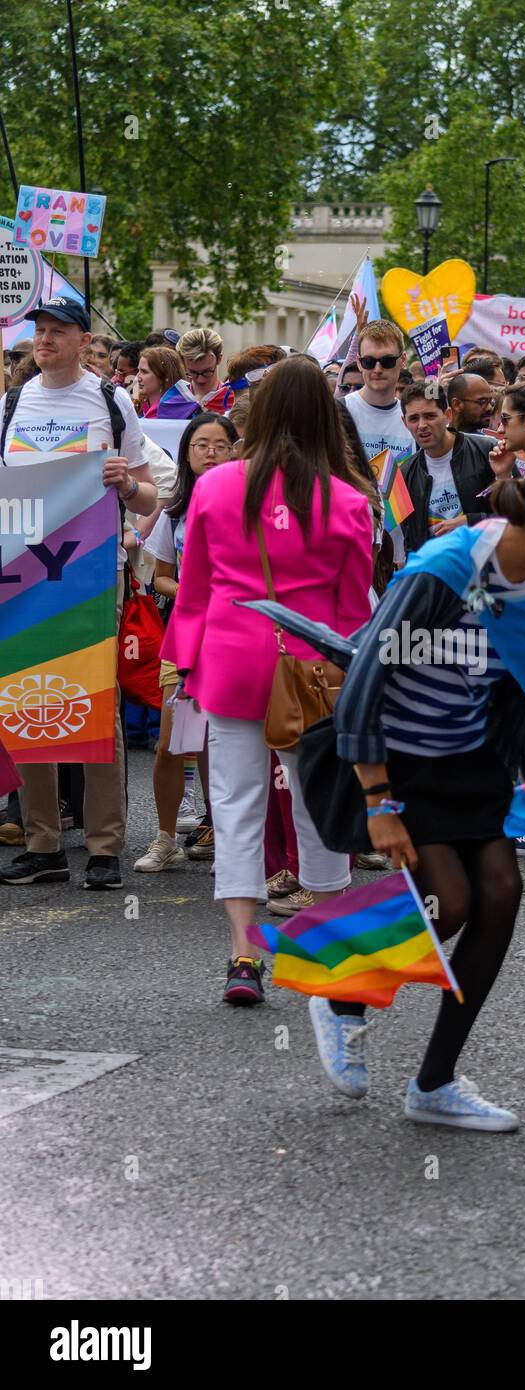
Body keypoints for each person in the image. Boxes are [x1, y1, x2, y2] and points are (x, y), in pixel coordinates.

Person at [300, 454, 525, 1130]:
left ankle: (435, 1084)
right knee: (447, 900)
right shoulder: (447, 569)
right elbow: (367, 675)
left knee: (501, 895)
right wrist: (379, 801)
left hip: (471, 759)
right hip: (399, 762)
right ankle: (339, 992)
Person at [161, 357, 373, 1004]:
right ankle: (330, 951)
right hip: (310, 669)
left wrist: (184, 663)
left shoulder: (217, 487)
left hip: (230, 661)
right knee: (319, 807)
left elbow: (194, 589)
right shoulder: (350, 500)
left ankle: (243, 954)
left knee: (234, 804)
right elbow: (354, 609)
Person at [0, 294, 157, 889]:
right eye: (39, 329)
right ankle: (44, 845)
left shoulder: (111, 400)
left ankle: (104, 846)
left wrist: (125, 486)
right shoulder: (12, 403)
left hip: (92, 571)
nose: (44, 338)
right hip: (23, 571)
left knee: (93, 696)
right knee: (28, 696)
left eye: (57, 330)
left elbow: (150, 495)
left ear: (84, 340)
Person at [133, 414, 239, 873]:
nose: (211, 452)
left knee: (224, 742)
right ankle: (164, 837)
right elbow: (161, 578)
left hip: (237, 637)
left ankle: (224, 834)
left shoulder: (251, 505)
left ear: (236, 450)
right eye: (201, 444)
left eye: (220, 444)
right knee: (174, 741)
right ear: (188, 453)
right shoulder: (175, 511)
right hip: (188, 635)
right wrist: (200, 592)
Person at [399, 383, 497, 555]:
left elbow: (518, 515)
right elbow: (410, 539)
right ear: (404, 422)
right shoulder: (405, 473)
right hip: (437, 574)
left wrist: (469, 521)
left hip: (487, 567)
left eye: (430, 416)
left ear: (448, 415)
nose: (422, 425)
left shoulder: (487, 450)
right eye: (414, 418)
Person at [342, 318, 414, 462]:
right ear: (359, 362)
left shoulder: (414, 417)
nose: (377, 369)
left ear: (403, 361)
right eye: (368, 362)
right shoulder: (339, 411)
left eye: (387, 361)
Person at [176, 327, 232, 412]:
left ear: (219, 359)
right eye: (193, 372)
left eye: (207, 372)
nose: (200, 380)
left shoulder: (232, 400)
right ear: (183, 362)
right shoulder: (172, 401)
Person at [135, 345, 185, 417]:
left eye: (144, 372)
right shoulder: (139, 405)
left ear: (163, 376)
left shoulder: (175, 412)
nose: (137, 377)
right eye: (138, 370)